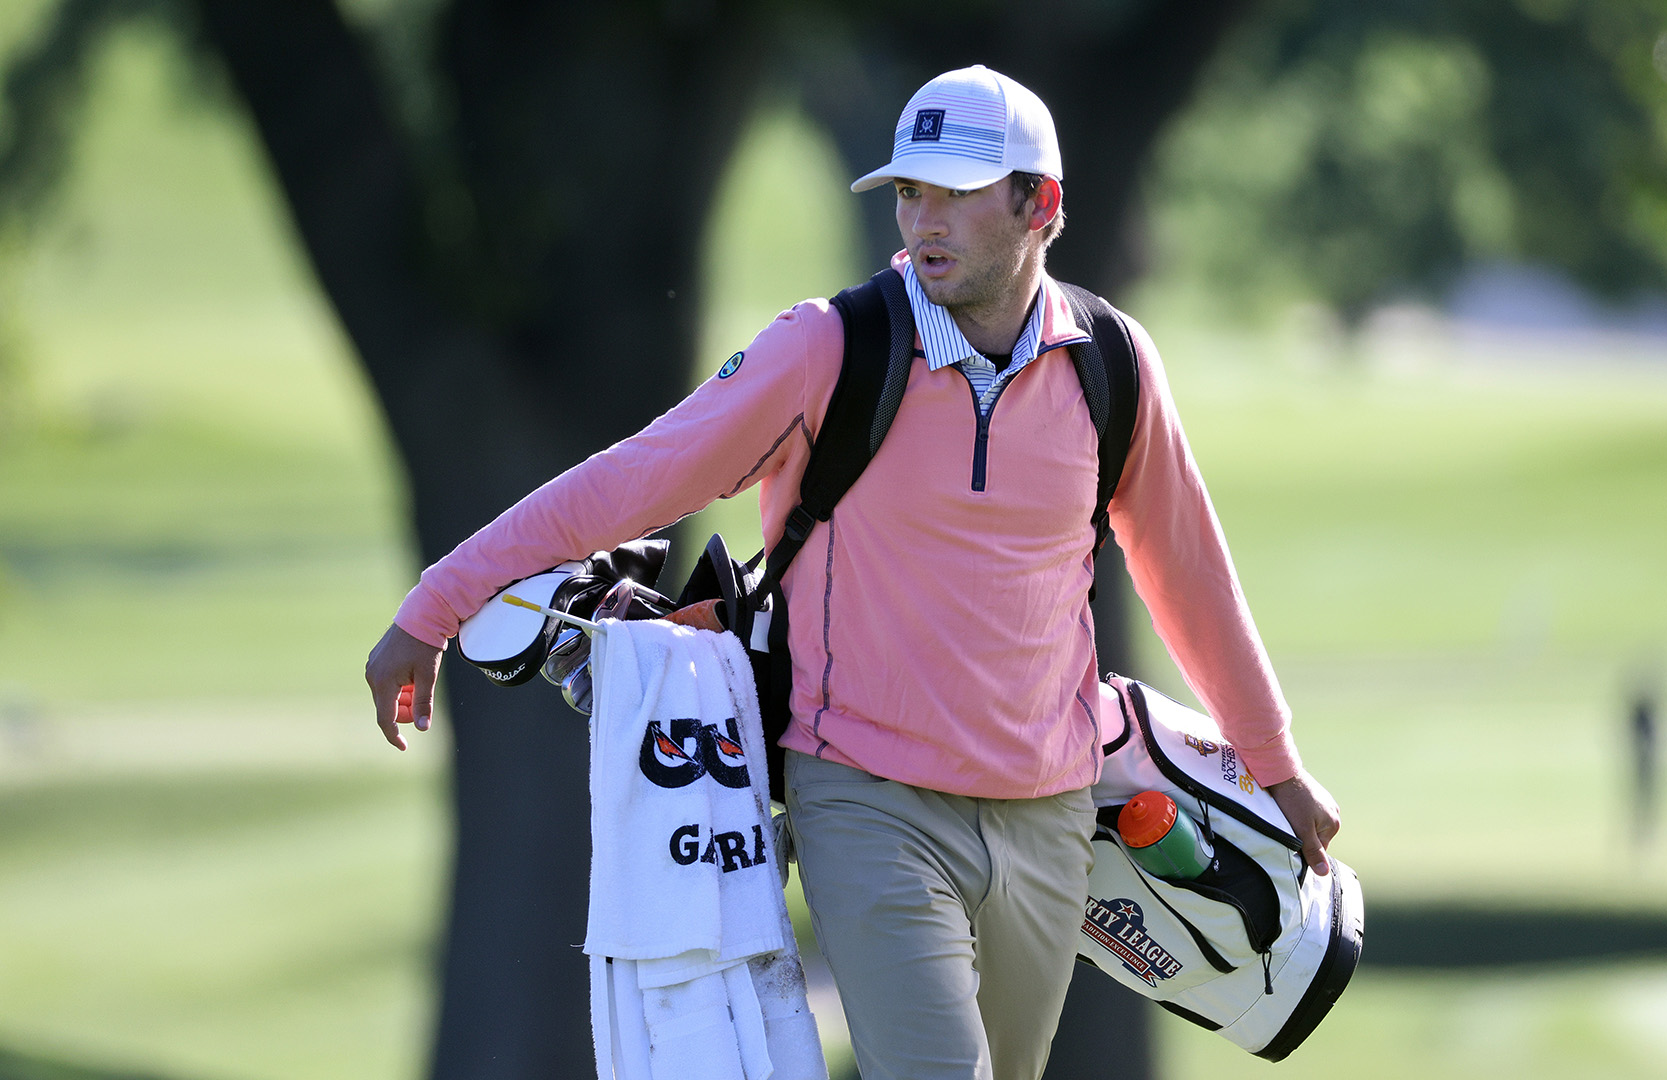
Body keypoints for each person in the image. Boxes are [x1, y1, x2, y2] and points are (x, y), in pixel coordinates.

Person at [365, 65, 1340, 1080]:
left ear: (1038, 204)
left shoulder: (1112, 363)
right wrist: (436, 606)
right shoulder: (831, 349)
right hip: (868, 799)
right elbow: (634, 479)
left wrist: (1274, 763)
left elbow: (1190, 573)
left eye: (957, 192)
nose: (924, 219)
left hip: (1053, 813)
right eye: (910, 191)